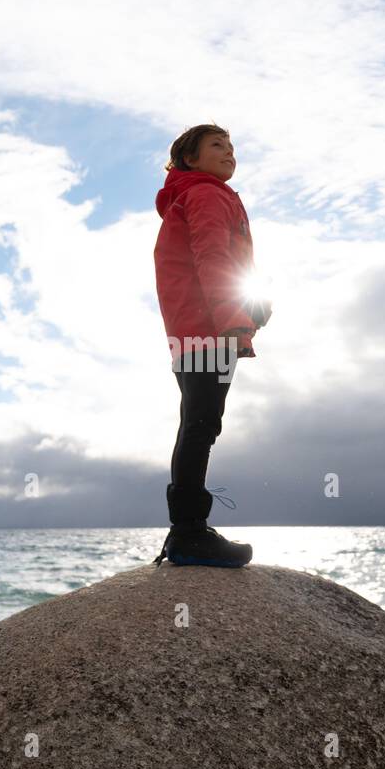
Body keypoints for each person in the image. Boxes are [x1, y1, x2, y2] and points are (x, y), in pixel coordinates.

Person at [151, 123, 272, 567]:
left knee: (200, 422)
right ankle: (188, 532)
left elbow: (225, 260)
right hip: (208, 327)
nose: (229, 151)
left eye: (232, 146)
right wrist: (232, 319)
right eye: (216, 145)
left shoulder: (200, 194)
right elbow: (212, 256)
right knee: (201, 424)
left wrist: (251, 305)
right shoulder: (205, 193)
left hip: (197, 326)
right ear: (190, 159)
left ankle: (188, 530)